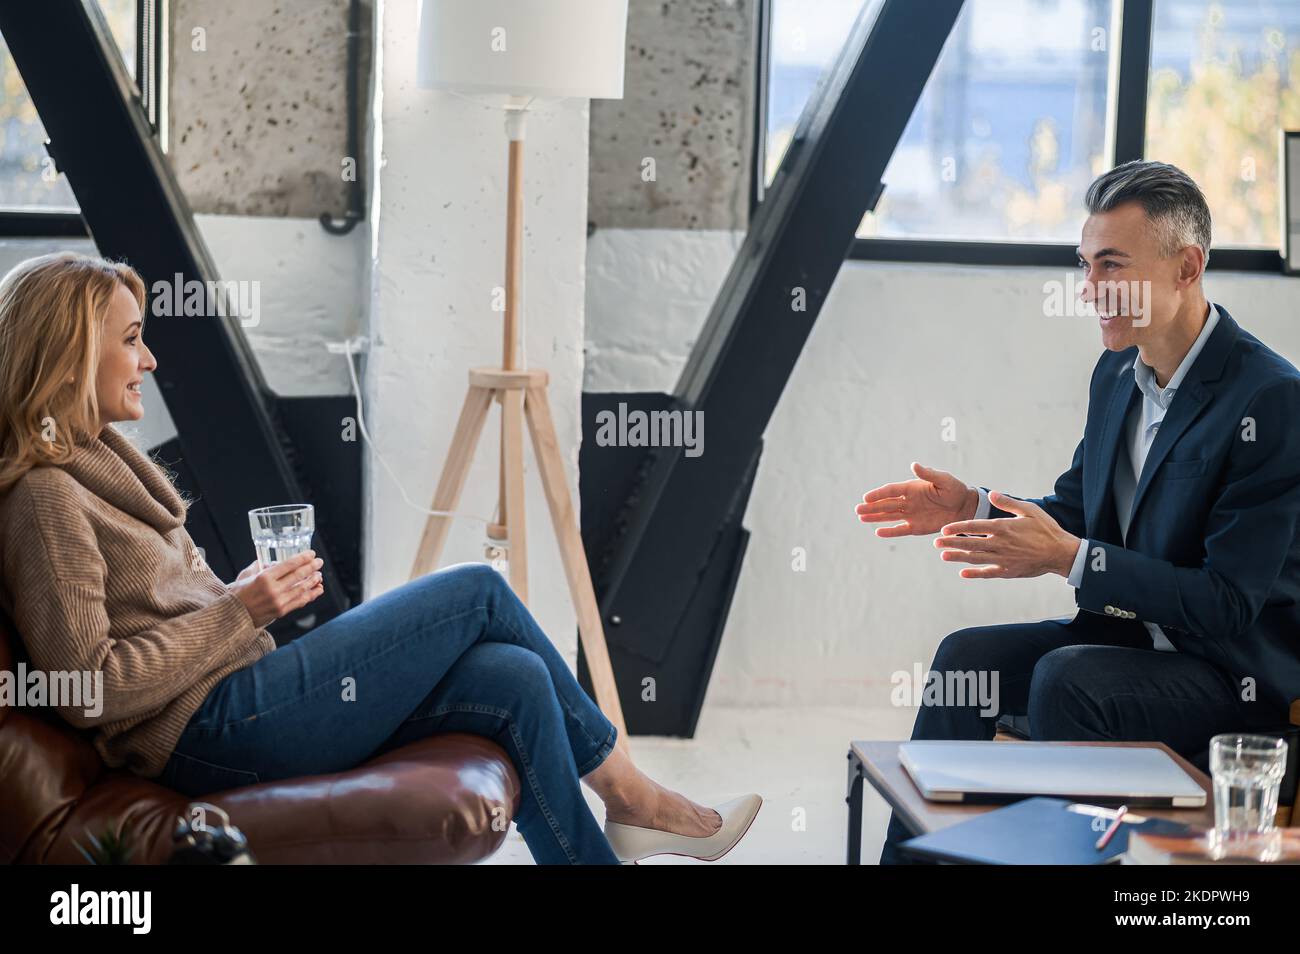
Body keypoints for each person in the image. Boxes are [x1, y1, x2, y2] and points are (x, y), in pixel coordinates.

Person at [0, 251, 762, 865]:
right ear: (69, 356)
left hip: (233, 695)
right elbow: (89, 688)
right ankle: (636, 799)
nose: (151, 359)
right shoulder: (47, 497)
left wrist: (227, 599)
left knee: (517, 677)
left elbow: (148, 614)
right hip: (209, 732)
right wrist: (242, 610)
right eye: (131, 338)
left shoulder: (96, 461)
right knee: (476, 592)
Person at [857, 161, 1300, 864]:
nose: (1089, 290)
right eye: (1086, 265)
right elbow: (1078, 510)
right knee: (964, 658)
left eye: (1112, 266)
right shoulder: (1117, 373)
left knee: (1068, 677)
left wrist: (1071, 558)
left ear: (1187, 266)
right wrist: (972, 505)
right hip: (1129, 648)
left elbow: (1228, 604)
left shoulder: (1269, 399)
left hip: (1231, 678)